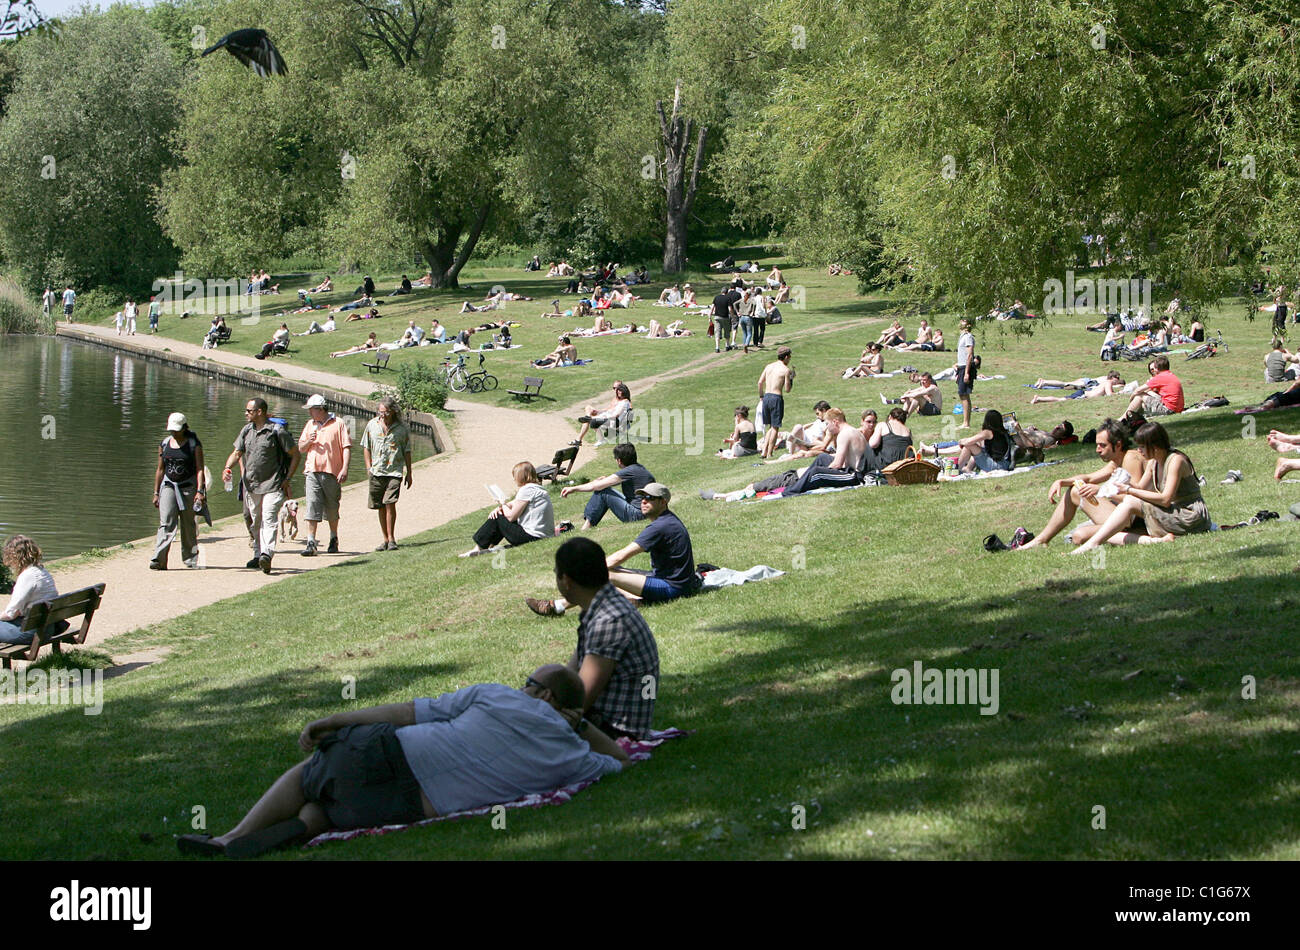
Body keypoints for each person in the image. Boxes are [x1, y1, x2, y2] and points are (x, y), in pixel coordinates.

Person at [176, 664, 628, 858]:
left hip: (391, 753)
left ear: (544, 693)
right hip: (407, 806)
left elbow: (407, 712)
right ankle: (304, 828)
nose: (522, 686)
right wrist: (578, 724)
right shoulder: (574, 758)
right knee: (329, 811)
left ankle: (230, 838)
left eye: (530, 682)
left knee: (310, 773)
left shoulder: (498, 696)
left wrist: (336, 718)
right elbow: (620, 759)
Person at [538, 538, 661, 740]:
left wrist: (548, 707)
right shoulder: (602, 605)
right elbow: (571, 673)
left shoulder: (609, 621)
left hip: (613, 731)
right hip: (600, 720)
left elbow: (582, 697)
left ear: (566, 581)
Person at [529, 483, 698, 613]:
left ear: (663, 502)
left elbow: (623, 554)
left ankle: (557, 607)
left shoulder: (660, 526)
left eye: (650, 498)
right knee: (612, 571)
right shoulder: (667, 520)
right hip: (674, 581)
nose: (644, 501)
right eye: (643, 497)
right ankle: (634, 601)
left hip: (674, 587)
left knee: (605, 574)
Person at [1072, 422, 1212, 553]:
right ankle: (1153, 541)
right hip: (1172, 512)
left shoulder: (1176, 461)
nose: (1139, 450)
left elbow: (1165, 499)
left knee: (1128, 503)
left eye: (1142, 447)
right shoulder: (1154, 462)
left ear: (1155, 446)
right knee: (1109, 531)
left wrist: (1127, 490)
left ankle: (1092, 544)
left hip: (1190, 515)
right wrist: (1122, 481)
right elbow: (1140, 487)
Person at [1017, 418, 1146, 550]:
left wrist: (1101, 490)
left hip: (1133, 520)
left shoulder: (1131, 458)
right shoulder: (1117, 460)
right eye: (1097, 445)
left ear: (1118, 445)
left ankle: (1042, 540)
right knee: (1078, 525)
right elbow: (1089, 478)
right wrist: (1062, 481)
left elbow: (1136, 498)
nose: (1097, 450)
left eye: (1102, 445)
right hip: (1124, 518)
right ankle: (1041, 539)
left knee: (1078, 523)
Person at [223, 398, 300, 574]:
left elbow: (295, 455)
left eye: (249, 411)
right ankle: (258, 554)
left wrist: (288, 478)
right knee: (256, 521)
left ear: (260, 412)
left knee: (269, 518)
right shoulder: (246, 430)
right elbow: (237, 452)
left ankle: (267, 553)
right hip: (252, 485)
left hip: (273, 484)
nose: (246, 413)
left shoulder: (277, 431)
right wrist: (228, 468)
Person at [151, 412, 208, 570]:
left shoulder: (193, 445)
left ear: (184, 428)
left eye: (176, 430)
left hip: (188, 488)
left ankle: (190, 559)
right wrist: (156, 492)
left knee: (188, 524)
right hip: (169, 487)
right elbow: (160, 469)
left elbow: (199, 469)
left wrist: (200, 491)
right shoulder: (164, 443)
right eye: (171, 430)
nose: (174, 433)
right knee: (166, 523)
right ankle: (159, 559)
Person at [460, 462, 555, 557]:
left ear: (520, 476)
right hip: (543, 535)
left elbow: (511, 517)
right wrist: (501, 507)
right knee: (500, 513)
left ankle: (478, 548)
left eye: (515, 476)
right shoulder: (538, 489)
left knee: (499, 517)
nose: (514, 479)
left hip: (532, 537)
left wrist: (502, 503)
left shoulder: (526, 490)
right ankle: (489, 545)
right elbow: (513, 503)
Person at [297, 395, 351, 557]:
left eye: (311, 410)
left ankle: (333, 538)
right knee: (312, 505)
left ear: (320, 409)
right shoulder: (310, 425)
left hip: (331, 472)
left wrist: (344, 468)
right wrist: (309, 441)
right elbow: (301, 448)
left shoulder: (339, 423)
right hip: (312, 471)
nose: (310, 413)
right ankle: (311, 542)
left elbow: (346, 447)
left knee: (332, 508)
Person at [561, 443, 655, 530]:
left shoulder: (629, 471)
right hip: (647, 512)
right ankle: (587, 525)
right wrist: (605, 480)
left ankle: (585, 528)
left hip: (637, 515)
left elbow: (595, 487)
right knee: (604, 488)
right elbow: (613, 481)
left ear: (619, 460)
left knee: (603, 492)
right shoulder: (639, 469)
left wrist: (574, 488)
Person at [361, 396, 412, 552]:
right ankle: (385, 538)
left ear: (392, 411)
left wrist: (409, 473)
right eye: (380, 411)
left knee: (390, 503)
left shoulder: (402, 429)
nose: (382, 415)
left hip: (394, 471)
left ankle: (392, 539)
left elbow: (407, 451)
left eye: (385, 412)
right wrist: (368, 467)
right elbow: (366, 446)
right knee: (380, 506)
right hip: (377, 471)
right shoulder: (372, 425)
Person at [784, 409, 867, 493]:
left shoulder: (844, 434)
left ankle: (791, 491)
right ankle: (799, 484)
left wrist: (825, 471)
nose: (827, 427)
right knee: (822, 457)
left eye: (827, 424)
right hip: (854, 470)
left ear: (835, 422)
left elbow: (837, 464)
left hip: (855, 476)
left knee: (816, 472)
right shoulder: (852, 430)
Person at [0, 536, 62, 644]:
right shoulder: (42, 571)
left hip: (32, 632)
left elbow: (11, 614)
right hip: (48, 627)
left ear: (14, 556)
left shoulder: (27, 576)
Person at [758, 347, 795, 458]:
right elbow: (787, 389)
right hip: (776, 397)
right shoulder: (785, 370)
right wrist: (791, 378)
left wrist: (761, 396)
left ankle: (764, 451)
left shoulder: (769, 366)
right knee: (775, 427)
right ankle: (769, 453)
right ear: (786, 357)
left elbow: (760, 382)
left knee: (770, 426)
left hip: (766, 397)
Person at [862, 407, 913, 472]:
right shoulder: (908, 430)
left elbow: (873, 444)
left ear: (890, 417)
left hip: (888, 463)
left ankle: (863, 472)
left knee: (868, 448)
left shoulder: (883, 425)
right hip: (905, 465)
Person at [955, 318, 976, 428]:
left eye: (963, 321)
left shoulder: (968, 337)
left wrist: (966, 372)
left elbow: (969, 355)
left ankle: (966, 423)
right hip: (961, 367)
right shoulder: (962, 336)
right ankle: (965, 422)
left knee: (964, 394)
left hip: (966, 368)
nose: (961, 322)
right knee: (962, 394)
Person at [711, 284, 741, 353]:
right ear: (727, 292)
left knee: (717, 332)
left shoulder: (716, 297)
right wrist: (732, 315)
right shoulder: (728, 298)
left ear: (721, 291)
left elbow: (712, 307)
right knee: (727, 331)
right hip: (725, 317)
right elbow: (730, 309)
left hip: (717, 317)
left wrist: (710, 315)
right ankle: (727, 345)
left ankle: (717, 347)